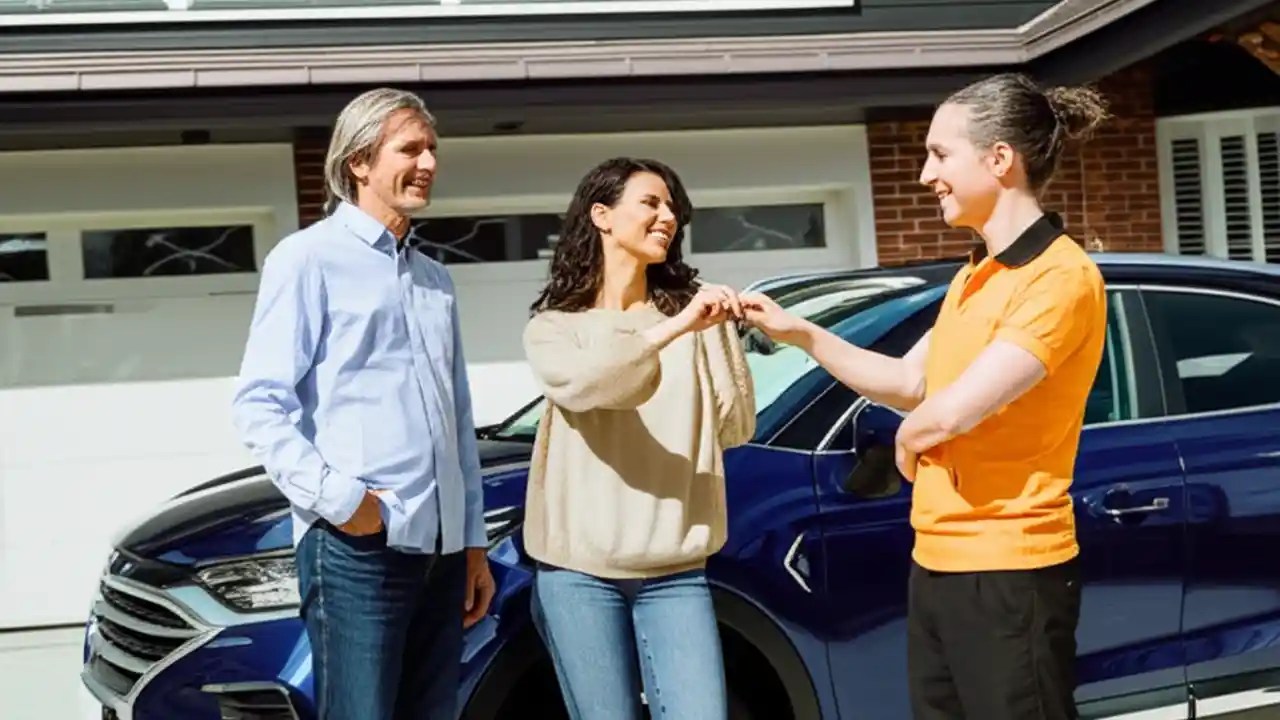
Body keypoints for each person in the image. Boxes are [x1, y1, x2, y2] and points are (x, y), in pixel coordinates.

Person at [741, 72, 1110, 720]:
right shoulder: (975, 275)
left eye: (940, 154)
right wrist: (799, 332)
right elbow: (914, 384)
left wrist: (909, 442)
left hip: (1009, 570)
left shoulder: (1061, 276)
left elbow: (954, 408)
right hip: (937, 561)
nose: (924, 175)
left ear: (999, 160)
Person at [231, 87, 495, 720]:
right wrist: (345, 502)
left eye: (432, 149)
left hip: (441, 555)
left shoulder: (436, 279)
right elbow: (259, 405)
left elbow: (457, 423)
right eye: (410, 148)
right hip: (356, 552)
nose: (428, 162)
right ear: (359, 162)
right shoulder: (307, 259)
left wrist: (472, 542)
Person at [521, 156, 756, 720]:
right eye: (651, 202)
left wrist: (721, 332)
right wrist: (676, 327)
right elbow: (595, 386)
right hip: (578, 575)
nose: (667, 217)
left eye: (671, 207)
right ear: (602, 215)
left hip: (675, 572)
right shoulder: (555, 328)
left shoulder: (699, 321)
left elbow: (736, 425)